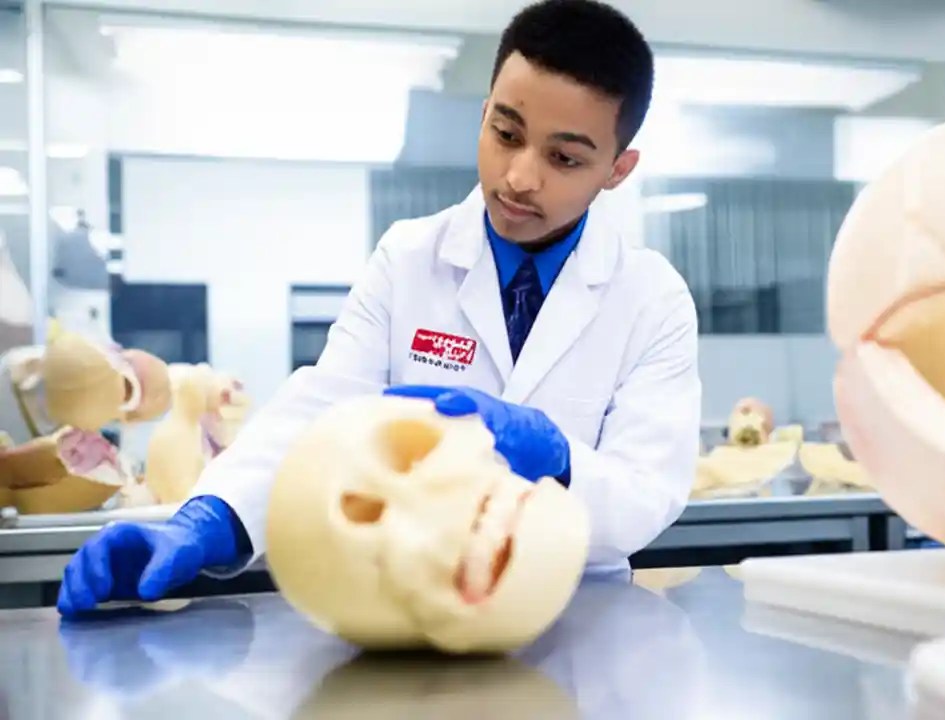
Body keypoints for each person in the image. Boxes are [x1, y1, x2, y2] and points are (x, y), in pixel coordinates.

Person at [56, 0, 701, 616]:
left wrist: (557, 456)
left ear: (618, 168)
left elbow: (648, 493)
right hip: (412, 599)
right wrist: (204, 522)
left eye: (563, 157)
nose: (518, 177)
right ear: (484, 115)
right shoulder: (408, 257)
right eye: (506, 133)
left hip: (579, 613)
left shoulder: (652, 299)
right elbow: (322, 411)